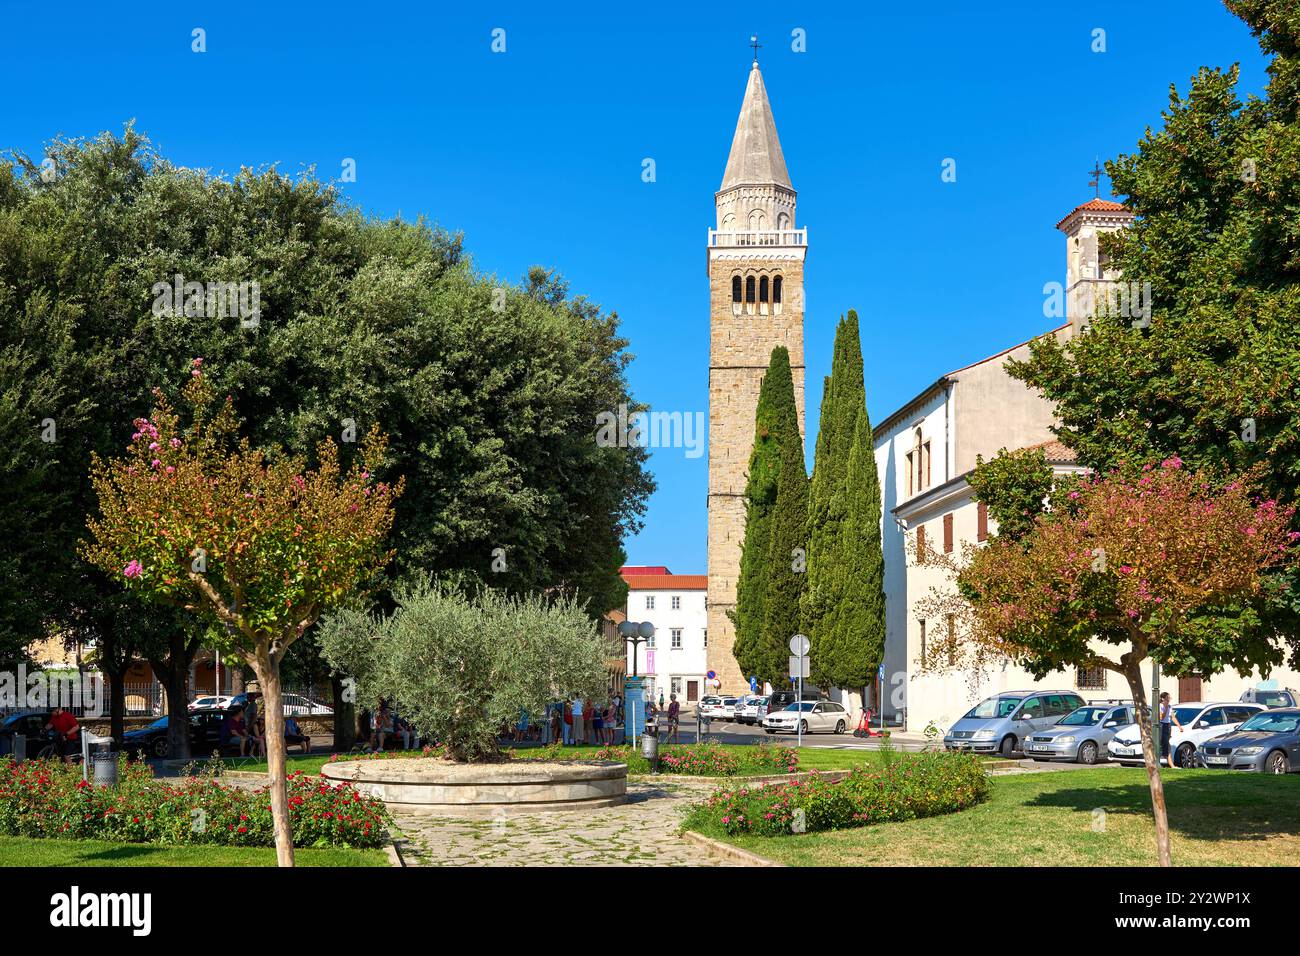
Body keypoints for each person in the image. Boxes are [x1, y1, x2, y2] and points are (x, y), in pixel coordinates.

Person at [1159, 692, 1183, 767]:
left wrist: (1179, 726)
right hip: (1162, 725)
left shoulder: (1169, 707)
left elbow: (1173, 717)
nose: (1169, 700)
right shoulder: (1160, 706)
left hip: (1168, 725)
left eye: (1169, 698)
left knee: (1167, 744)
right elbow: (1161, 717)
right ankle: (1163, 756)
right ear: (1163, 699)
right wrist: (1165, 708)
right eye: (1167, 698)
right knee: (1164, 743)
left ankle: (1171, 764)